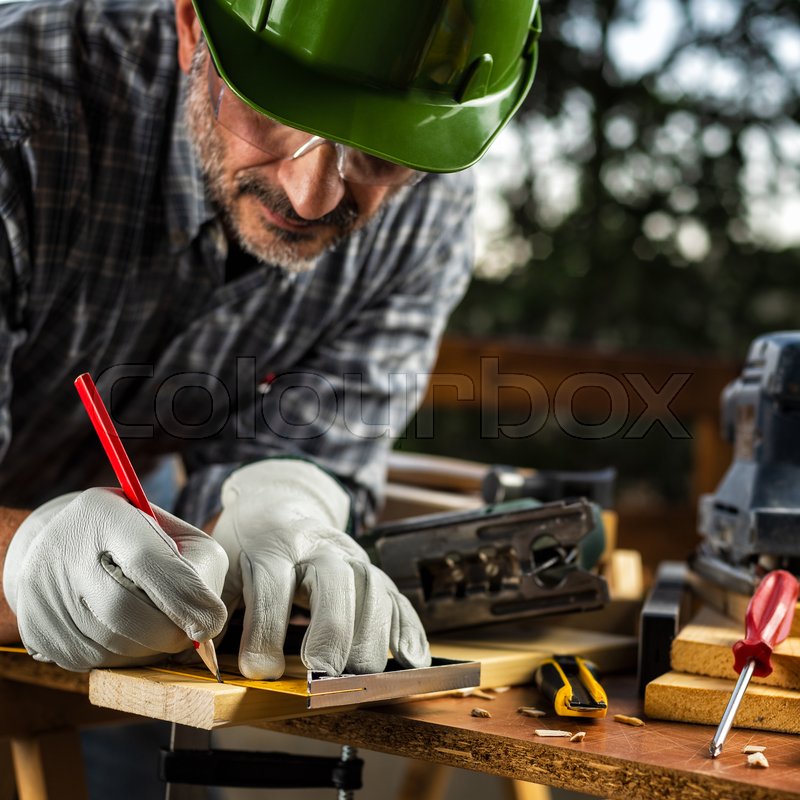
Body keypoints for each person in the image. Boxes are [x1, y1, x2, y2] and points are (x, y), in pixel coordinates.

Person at [0, 0, 540, 685]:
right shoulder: (19, 116)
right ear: (193, 22)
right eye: (273, 112)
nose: (311, 197)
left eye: (377, 152)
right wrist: (21, 563)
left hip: (126, 509)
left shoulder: (424, 209)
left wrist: (289, 495)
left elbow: (317, 437)